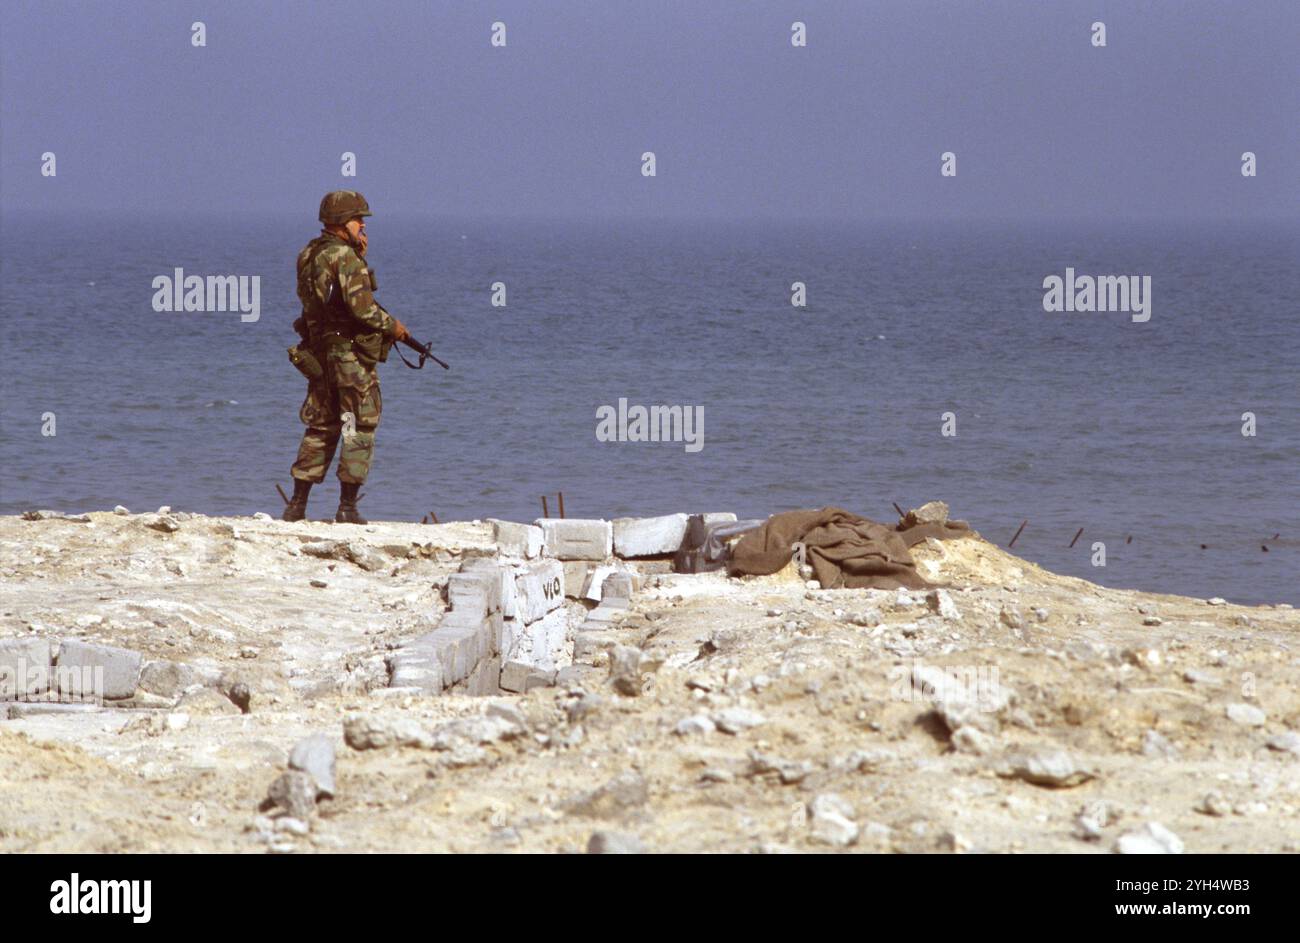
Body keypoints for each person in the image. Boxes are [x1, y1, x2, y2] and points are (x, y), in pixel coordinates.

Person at [282, 190, 410, 524]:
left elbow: (319, 302)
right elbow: (362, 309)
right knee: (357, 426)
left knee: (321, 425)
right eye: (358, 221)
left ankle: (296, 506)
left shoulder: (308, 254)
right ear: (342, 223)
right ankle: (347, 508)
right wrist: (393, 327)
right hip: (350, 358)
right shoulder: (346, 259)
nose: (363, 227)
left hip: (320, 353)